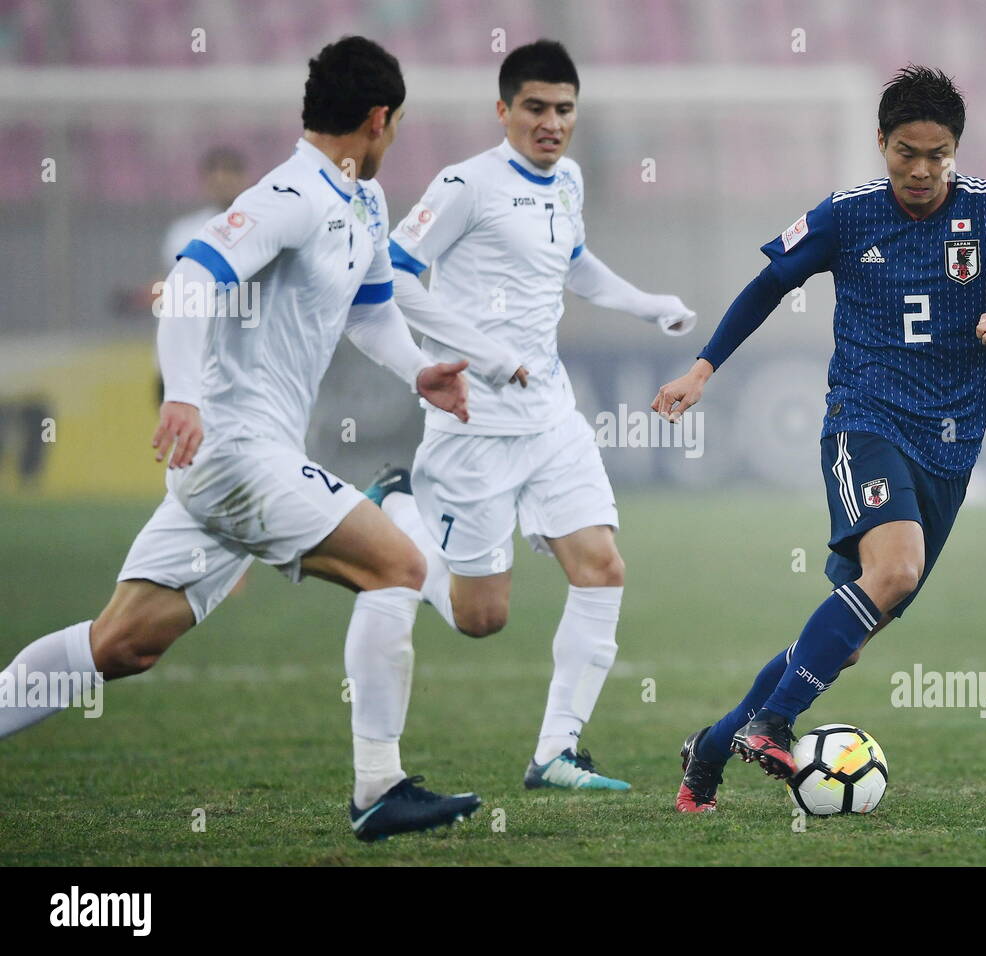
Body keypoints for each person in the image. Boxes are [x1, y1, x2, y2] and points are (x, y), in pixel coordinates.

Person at [0, 36, 513, 842]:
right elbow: (194, 279)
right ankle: (378, 789)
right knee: (400, 567)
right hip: (239, 453)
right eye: (397, 126)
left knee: (123, 644)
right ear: (379, 119)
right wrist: (184, 395)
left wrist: (416, 371)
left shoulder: (362, 203)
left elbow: (372, 309)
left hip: (244, 462)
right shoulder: (291, 195)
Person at [654, 65, 986, 812]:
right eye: (905, 153)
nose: (921, 170)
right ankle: (773, 723)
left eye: (938, 154)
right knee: (894, 573)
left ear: (956, 149)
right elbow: (768, 285)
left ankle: (712, 749)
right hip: (865, 419)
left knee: (846, 638)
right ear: (880, 142)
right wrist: (702, 368)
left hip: (950, 445)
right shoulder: (847, 215)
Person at [368, 39, 696, 791]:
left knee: (603, 567)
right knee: (481, 618)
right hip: (475, 425)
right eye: (537, 108)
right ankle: (399, 514)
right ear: (504, 110)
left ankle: (556, 752)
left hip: (550, 416)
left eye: (565, 110)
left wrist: (649, 306)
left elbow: (575, 262)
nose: (552, 123)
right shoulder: (465, 186)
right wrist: (480, 352)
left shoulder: (568, 179)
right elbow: (393, 276)